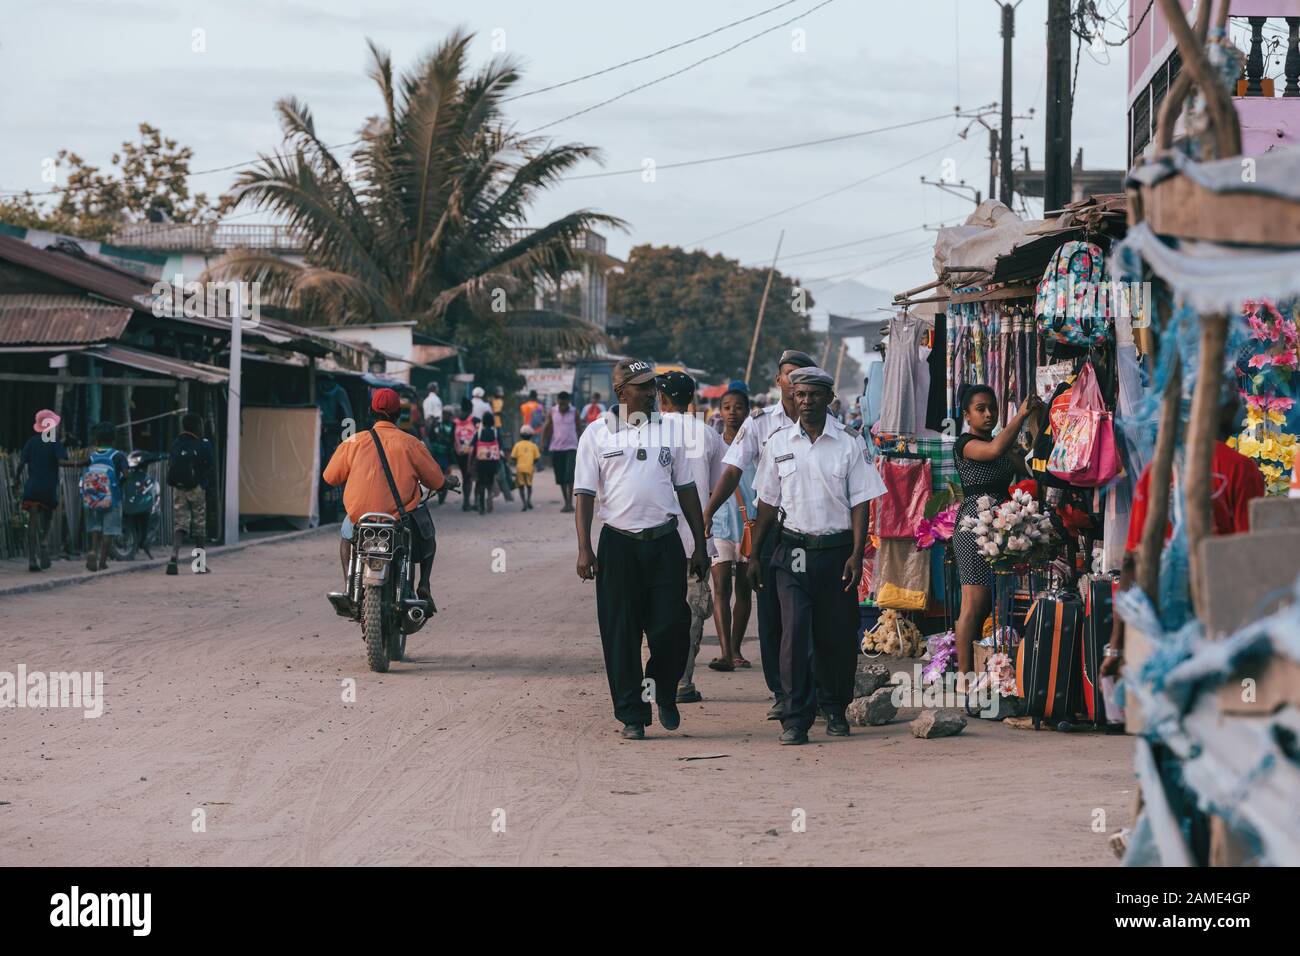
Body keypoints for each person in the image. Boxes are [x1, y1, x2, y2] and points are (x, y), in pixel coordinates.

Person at [574, 360, 710, 740]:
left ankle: (662, 688)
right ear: (621, 394)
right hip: (618, 544)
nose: (652, 393)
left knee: (673, 626)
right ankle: (632, 715)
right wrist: (585, 548)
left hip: (664, 542)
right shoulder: (597, 434)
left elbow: (686, 490)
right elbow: (584, 494)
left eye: (653, 387)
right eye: (643, 387)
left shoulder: (669, 432)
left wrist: (699, 544)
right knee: (621, 633)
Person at [747, 367, 884, 744]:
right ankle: (795, 719)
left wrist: (858, 554)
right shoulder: (777, 442)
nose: (805, 401)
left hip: (837, 553)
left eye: (813, 395)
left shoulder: (849, 443)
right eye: (800, 394)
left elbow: (861, 503)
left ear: (829, 398)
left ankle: (835, 709)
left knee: (836, 636)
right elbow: (767, 505)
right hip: (792, 553)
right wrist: (755, 555)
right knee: (793, 634)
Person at [1103, 394, 1265, 678]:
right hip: (1219, 622)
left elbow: (1131, 563)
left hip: (1161, 625)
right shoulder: (1241, 469)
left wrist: (1116, 646)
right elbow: (1248, 559)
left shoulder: (1156, 472)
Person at [703, 349, 818, 720]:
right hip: (771, 530)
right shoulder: (759, 424)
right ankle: (781, 693)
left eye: (802, 374)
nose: (795, 380)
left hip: (813, 530)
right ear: (779, 381)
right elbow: (734, 470)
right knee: (772, 615)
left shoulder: (825, 422)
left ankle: (811, 689)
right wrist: (708, 510)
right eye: (789, 374)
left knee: (808, 614)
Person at [323, 388, 457, 602]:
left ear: (370, 411)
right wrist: (446, 482)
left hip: (360, 518)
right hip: (398, 518)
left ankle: (350, 586)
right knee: (427, 535)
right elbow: (436, 481)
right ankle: (424, 584)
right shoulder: (411, 443)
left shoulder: (353, 441)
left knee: (346, 538)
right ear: (398, 414)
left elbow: (330, 477)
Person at [950, 384, 1042, 685]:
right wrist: (1022, 414)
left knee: (992, 603)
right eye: (980, 409)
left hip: (1002, 528)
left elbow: (1029, 470)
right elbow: (993, 450)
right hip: (973, 527)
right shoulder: (966, 444)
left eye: (992, 407)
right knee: (973, 604)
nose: (989, 413)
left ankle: (985, 673)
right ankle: (963, 678)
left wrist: (1037, 420)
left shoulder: (1004, 445)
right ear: (967, 415)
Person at [656, 370, 727, 705]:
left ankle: (654, 679)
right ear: (692, 398)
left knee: (654, 611)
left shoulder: (646, 431)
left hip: (654, 539)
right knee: (691, 613)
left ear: (662, 398)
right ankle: (683, 682)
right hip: (694, 542)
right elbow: (721, 483)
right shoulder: (707, 434)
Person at [709, 386, 757, 669]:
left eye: (738, 407)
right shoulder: (714, 446)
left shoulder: (755, 446)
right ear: (720, 411)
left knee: (744, 590)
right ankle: (726, 651)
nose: (732, 412)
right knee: (721, 588)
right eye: (727, 407)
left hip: (749, 527)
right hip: (719, 527)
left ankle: (737, 648)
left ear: (747, 411)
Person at [15, 409, 69, 572]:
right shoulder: (55, 443)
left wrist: (17, 481)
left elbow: (21, 464)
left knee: (32, 523)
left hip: (32, 488)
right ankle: (44, 539)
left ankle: (32, 559)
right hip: (48, 488)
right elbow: (62, 462)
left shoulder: (31, 442)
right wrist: (77, 463)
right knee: (49, 515)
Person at [165, 413, 214, 576]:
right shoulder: (203, 444)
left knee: (180, 524)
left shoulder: (176, 443)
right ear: (197, 427)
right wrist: (203, 482)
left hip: (178, 489)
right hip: (196, 489)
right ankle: (199, 565)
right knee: (199, 526)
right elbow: (210, 464)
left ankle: (173, 558)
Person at [80, 421, 128, 573]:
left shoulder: (93, 456)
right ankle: (102, 561)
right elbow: (126, 474)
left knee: (95, 527)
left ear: (97, 440)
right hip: (112, 498)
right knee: (109, 530)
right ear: (113, 439)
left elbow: (85, 468)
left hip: (94, 498)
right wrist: (121, 482)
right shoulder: (118, 456)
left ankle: (93, 551)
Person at [542, 390, 582, 513]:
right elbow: (547, 428)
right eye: (561, 404)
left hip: (571, 447)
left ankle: (570, 502)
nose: (562, 406)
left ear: (568, 402)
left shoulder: (574, 412)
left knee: (569, 476)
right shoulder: (552, 411)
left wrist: (584, 445)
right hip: (556, 448)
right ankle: (566, 502)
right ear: (558, 402)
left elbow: (579, 428)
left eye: (564, 404)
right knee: (560, 477)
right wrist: (543, 443)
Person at [472, 411, 503, 515]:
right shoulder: (496, 432)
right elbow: (501, 446)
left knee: (480, 483)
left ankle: (481, 506)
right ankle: (489, 500)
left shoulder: (479, 432)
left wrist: (471, 462)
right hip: (493, 462)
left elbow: (473, 447)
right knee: (490, 483)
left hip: (481, 461)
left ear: (483, 422)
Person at [453, 399, 479, 512]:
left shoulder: (454, 422)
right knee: (474, 477)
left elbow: (451, 439)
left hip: (459, 454)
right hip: (472, 454)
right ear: (471, 409)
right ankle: (473, 502)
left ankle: (466, 501)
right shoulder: (475, 420)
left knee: (465, 477)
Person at [427, 408, 457, 504]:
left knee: (445, 475)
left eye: (447, 415)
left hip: (446, 454)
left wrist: (443, 437)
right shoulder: (438, 425)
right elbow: (431, 436)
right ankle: (440, 493)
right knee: (438, 474)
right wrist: (432, 426)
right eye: (443, 414)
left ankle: (442, 495)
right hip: (437, 454)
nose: (444, 417)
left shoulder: (452, 426)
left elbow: (452, 440)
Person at [511, 425, 542, 511]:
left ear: (520, 435)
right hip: (529, 468)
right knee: (529, 485)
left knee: (521, 486)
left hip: (520, 468)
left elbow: (513, 457)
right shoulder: (533, 446)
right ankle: (529, 500)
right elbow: (537, 458)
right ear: (531, 435)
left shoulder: (517, 445)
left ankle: (524, 503)